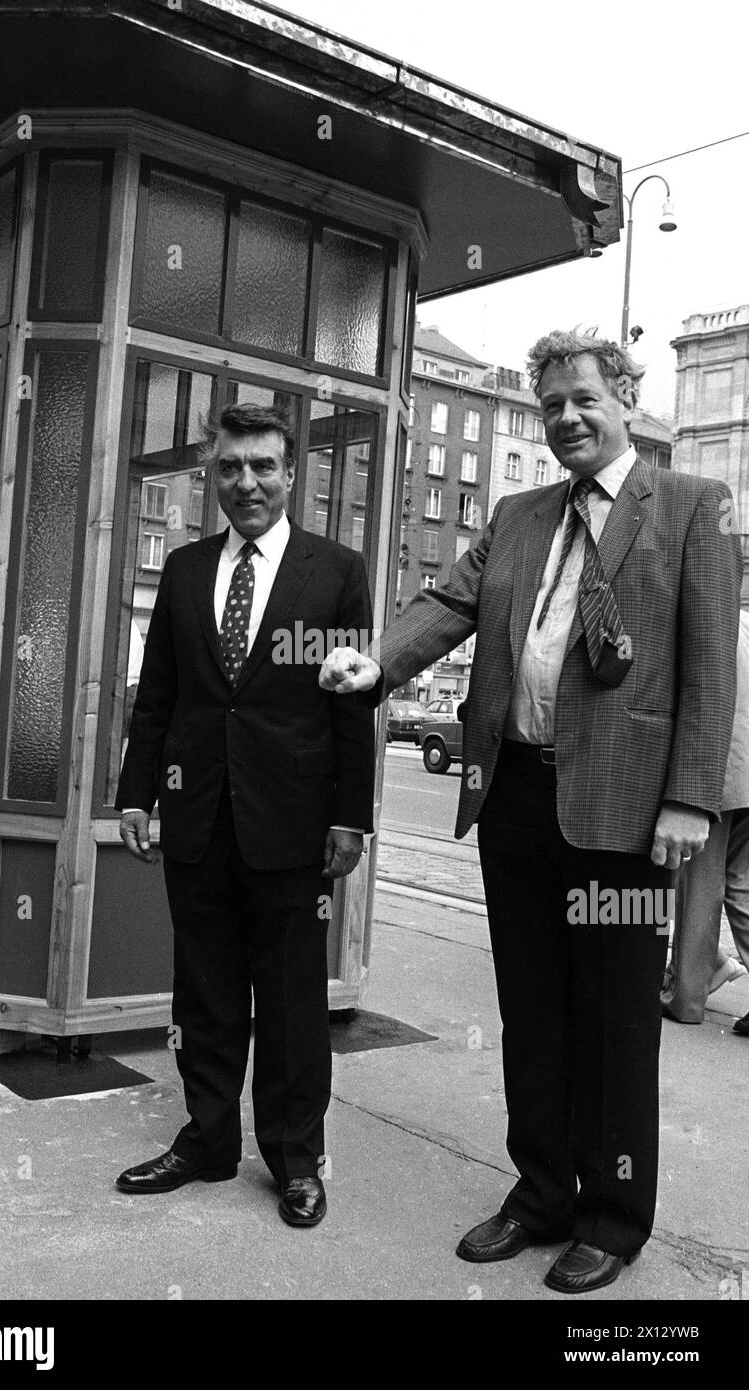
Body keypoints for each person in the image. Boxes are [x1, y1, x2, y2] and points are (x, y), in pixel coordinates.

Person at [321, 329, 742, 1293]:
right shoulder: (519, 514)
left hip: (627, 813)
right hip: (514, 796)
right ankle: (543, 1192)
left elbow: (710, 666)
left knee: (617, 1022)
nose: (566, 419)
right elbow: (447, 602)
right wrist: (376, 662)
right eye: (551, 405)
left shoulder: (692, 507)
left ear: (626, 398)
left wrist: (689, 799)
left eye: (583, 399)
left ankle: (613, 1217)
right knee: (534, 1010)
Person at [115, 403, 375, 1228]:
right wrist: (136, 792)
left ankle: (297, 1160)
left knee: (293, 1001)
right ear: (212, 475)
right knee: (205, 992)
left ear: (291, 474)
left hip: (293, 824)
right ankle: (208, 1141)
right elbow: (158, 694)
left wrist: (350, 817)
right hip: (197, 816)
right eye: (230, 467)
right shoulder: (185, 569)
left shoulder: (336, 570)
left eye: (263, 466)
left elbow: (352, 705)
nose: (246, 482)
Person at [662, 609, 749, 1023]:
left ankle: (687, 996)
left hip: (717, 775)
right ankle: (708, 966)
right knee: (740, 885)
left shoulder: (705, 619)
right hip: (746, 775)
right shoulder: (745, 623)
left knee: (698, 887)